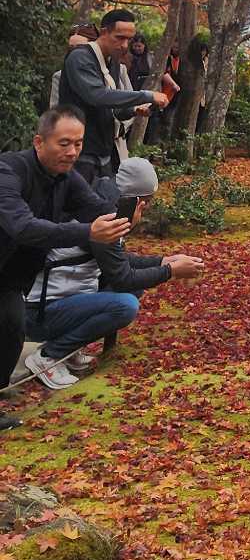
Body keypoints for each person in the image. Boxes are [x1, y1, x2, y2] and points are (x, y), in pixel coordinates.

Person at [22, 154, 204, 388]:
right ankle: (49, 357)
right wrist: (171, 271)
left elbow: (116, 262)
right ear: (137, 199)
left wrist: (162, 261)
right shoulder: (104, 219)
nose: (146, 207)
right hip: (39, 313)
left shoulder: (101, 204)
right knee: (125, 305)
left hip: (61, 302)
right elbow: (122, 277)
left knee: (134, 290)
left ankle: (68, 347)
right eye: (146, 201)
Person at [0, 107, 134, 413]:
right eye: (64, 143)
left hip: (10, 279)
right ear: (38, 142)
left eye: (78, 144)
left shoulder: (66, 177)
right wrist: (90, 232)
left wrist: (123, 217)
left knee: (10, 329)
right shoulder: (8, 172)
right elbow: (24, 228)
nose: (72, 152)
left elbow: (94, 207)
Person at [57, 8, 170, 176]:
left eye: (129, 39)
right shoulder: (80, 58)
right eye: (119, 38)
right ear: (104, 32)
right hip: (78, 153)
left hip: (105, 151)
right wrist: (146, 95)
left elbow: (113, 108)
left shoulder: (113, 63)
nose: (125, 45)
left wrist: (132, 110)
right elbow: (97, 96)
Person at [47, 20, 98, 110]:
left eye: (81, 47)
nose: (75, 52)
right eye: (71, 48)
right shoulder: (59, 76)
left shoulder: (116, 70)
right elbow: (55, 109)